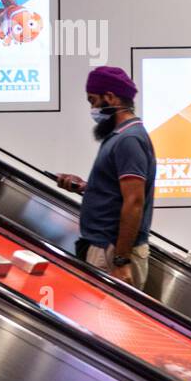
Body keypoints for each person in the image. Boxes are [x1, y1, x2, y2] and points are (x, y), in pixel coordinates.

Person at [55, 66, 156, 290]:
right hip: (105, 248)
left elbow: (134, 202)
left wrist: (121, 260)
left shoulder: (129, 139)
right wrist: (86, 187)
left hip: (111, 252)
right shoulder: (120, 136)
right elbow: (120, 193)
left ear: (110, 97)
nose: (92, 108)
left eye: (93, 100)